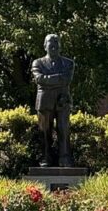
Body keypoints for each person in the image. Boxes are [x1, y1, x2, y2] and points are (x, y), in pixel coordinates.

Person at [31, 34, 75, 167]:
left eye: (57, 42)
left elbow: (67, 79)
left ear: (60, 46)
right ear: (45, 46)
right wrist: (58, 79)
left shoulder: (68, 63)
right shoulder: (37, 63)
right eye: (51, 42)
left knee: (63, 129)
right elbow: (39, 79)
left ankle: (65, 158)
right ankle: (46, 157)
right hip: (44, 102)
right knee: (45, 131)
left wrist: (48, 80)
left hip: (63, 101)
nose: (54, 45)